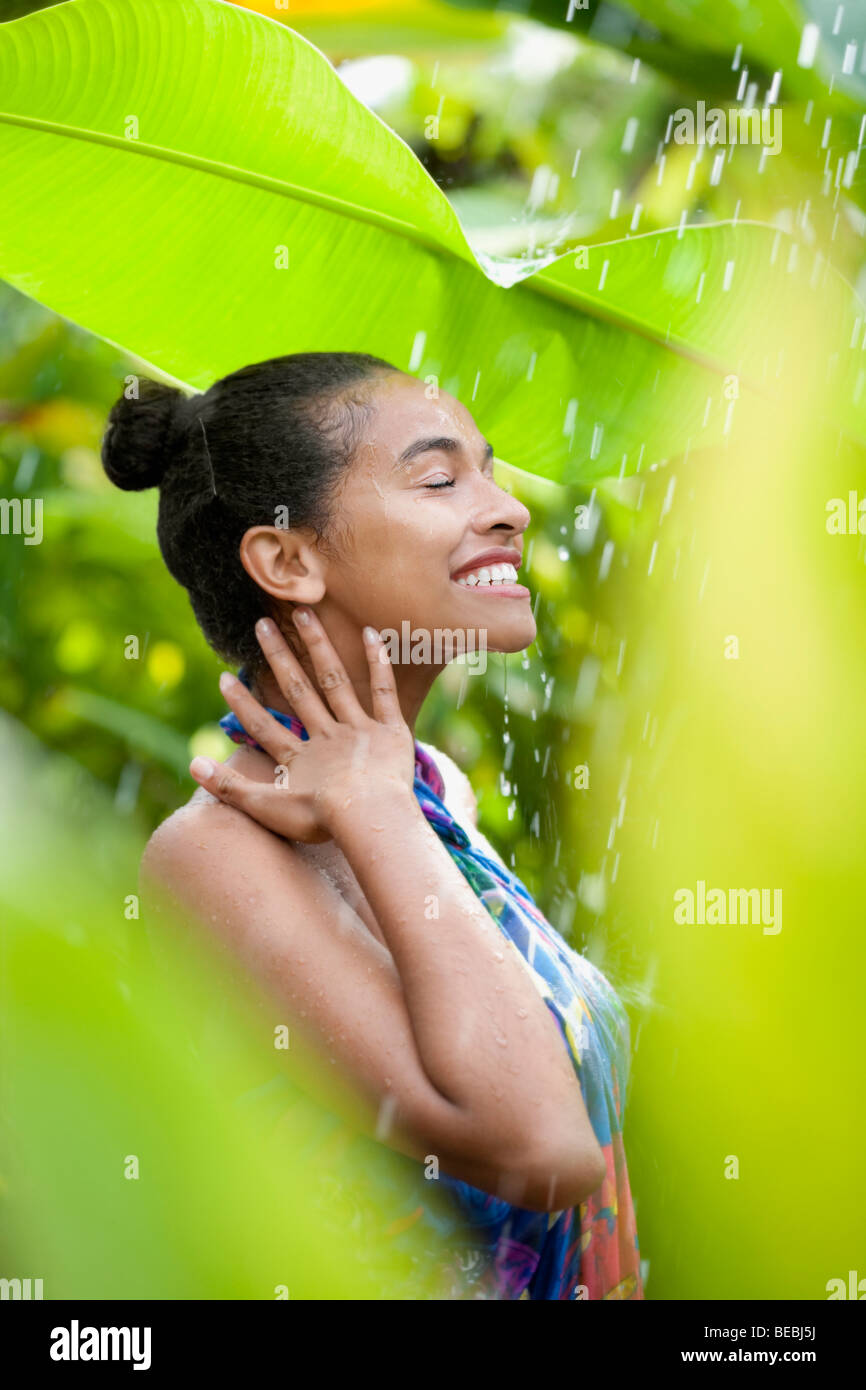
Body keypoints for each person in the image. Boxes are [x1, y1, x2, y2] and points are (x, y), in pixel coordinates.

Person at [101, 351, 643, 1300]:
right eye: (439, 478)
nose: (508, 509)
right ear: (286, 559)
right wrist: (377, 812)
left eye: (490, 468)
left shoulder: (432, 797)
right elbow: (546, 1151)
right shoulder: (217, 855)